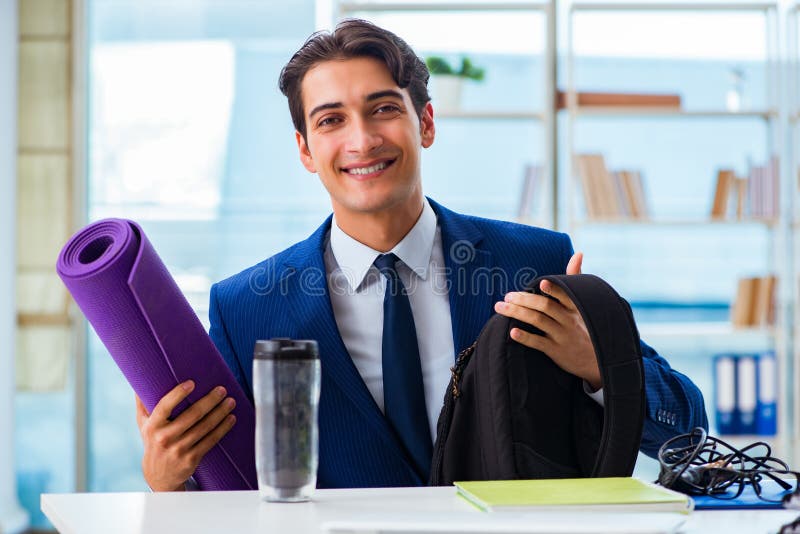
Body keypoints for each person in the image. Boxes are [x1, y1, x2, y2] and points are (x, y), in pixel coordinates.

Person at [135, 19, 708, 491]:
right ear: (306, 151)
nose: (361, 140)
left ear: (425, 123)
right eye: (331, 120)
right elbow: (228, 486)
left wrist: (598, 366)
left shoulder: (534, 263)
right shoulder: (245, 310)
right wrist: (167, 479)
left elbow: (687, 429)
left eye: (383, 109)